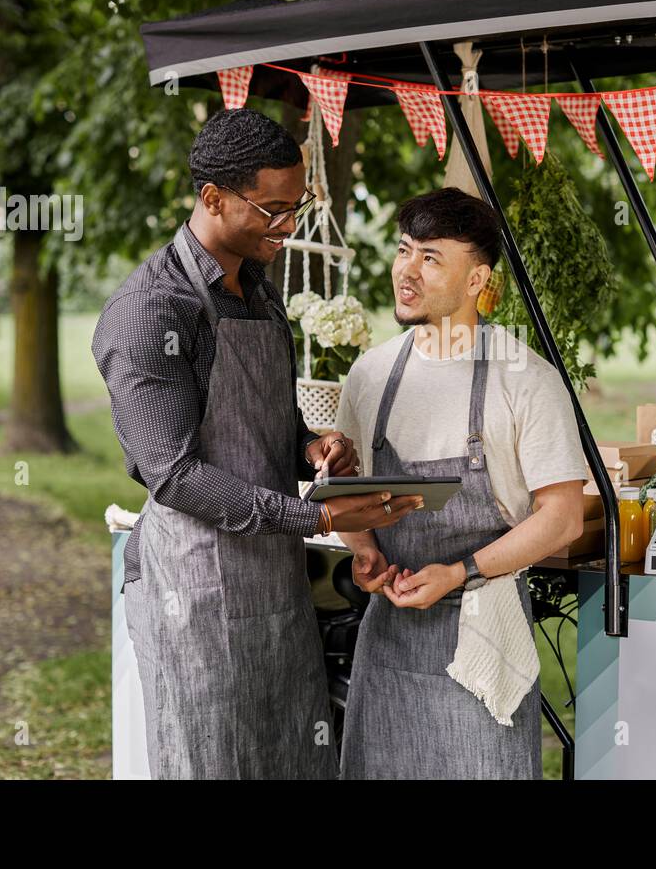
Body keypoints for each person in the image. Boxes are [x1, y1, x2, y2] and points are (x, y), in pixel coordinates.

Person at [92, 109, 420, 779]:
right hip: (197, 590)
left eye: (296, 206)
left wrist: (309, 446)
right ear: (212, 198)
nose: (289, 226)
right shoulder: (154, 311)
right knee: (213, 762)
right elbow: (176, 475)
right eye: (272, 209)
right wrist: (321, 516)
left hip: (273, 580)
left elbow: (258, 417)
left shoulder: (259, 290)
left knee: (292, 760)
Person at [335, 187, 587, 779]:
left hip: (484, 631)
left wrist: (458, 572)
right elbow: (352, 496)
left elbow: (562, 516)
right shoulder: (371, 374)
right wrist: (366, 552)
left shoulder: (525, 378)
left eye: (430, 258)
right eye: (403, 250)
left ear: (477, 279)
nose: (406, 271)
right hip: (389, 634)